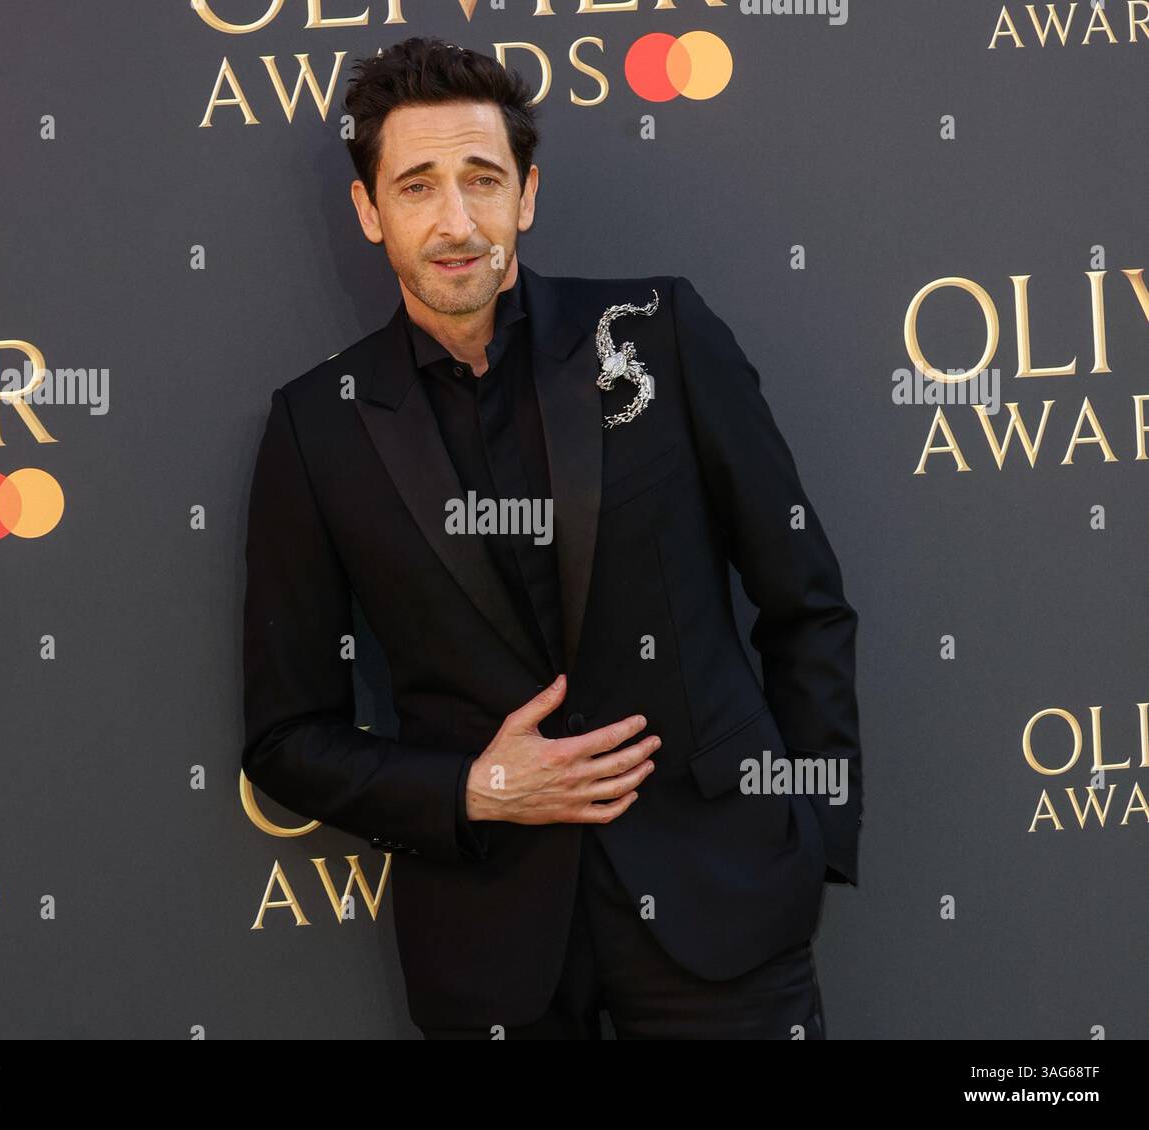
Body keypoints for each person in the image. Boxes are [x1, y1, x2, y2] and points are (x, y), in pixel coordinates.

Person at [242, 36, 861, 1039]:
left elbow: (804, 601)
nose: (455, 221)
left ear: (525, 194)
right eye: (416, 186)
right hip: (492, 953)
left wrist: (808, 837)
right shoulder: (318, 428)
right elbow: (284, 736)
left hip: (725, 908)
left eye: (482, 179)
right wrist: (473, 787)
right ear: (369, 213)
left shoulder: (656, 331)